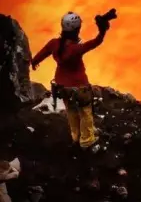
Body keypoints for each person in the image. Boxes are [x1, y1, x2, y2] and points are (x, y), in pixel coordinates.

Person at [30, 12, 111, 149]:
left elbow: (40, 55)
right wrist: (102, 31)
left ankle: (76, 137)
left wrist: (33, 63)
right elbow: (96, 42)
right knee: (85, 112)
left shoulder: (54, 44)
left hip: (62, 87)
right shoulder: (76, 49)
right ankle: (87, 140)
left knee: (72, 111)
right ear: (77, 29)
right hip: (79, 87)